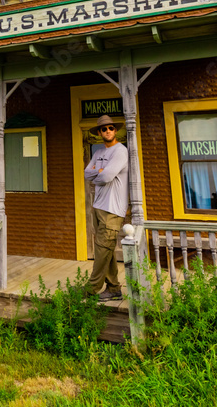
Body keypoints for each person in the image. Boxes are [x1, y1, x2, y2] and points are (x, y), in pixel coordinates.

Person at [83, 114, 128, 301]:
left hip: (113, 208)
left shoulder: (120, 151)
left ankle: (91, 288)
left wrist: (99, 174)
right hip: (98, 206)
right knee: (105, 249)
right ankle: (114, 288)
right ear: (100, 132)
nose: (107, 131)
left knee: (102, 249)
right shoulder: (98, 153)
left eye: (110, 128)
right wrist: (98, 172)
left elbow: (107, 176)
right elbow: (87, 174)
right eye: (104, 129)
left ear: (115, 130)